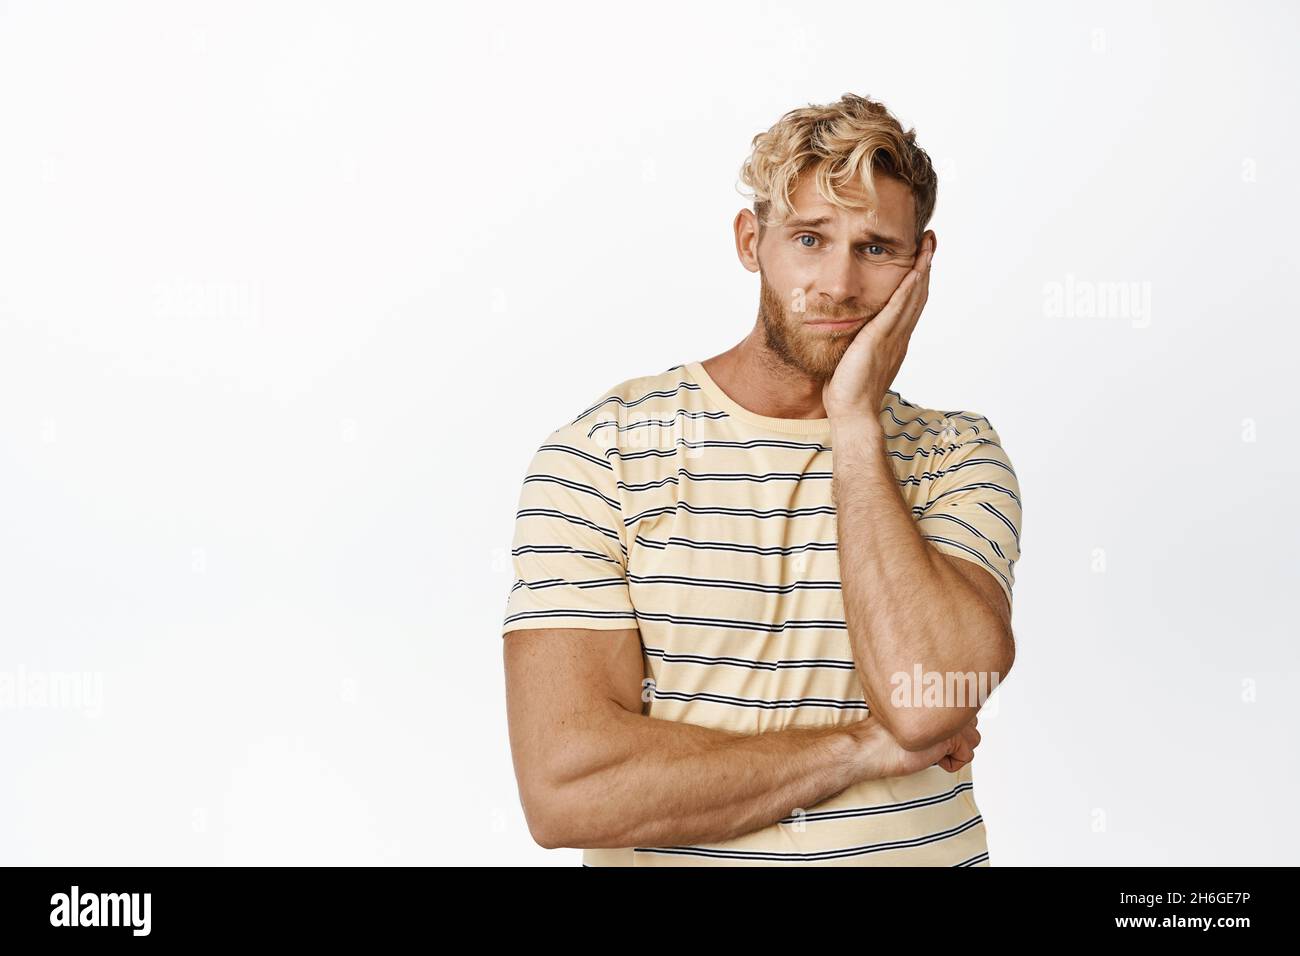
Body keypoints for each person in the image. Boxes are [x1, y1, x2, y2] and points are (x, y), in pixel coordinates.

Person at [501, 93, 1021, 866]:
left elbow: (928, 701)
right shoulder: (605, 453)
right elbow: (569, 789)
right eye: (810, 238)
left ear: (921, 261)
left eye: (876, 248)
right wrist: (856, 750)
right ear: (753, 241)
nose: (839, 284)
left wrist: (851, 422)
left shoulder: (954, 451)